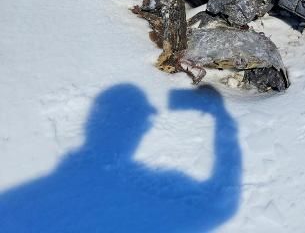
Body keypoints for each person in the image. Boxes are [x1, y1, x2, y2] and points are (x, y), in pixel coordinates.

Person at [0, 84, 241, 233]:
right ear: (136, 130)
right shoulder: (147, 193)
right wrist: (224, 126)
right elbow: (218, 207)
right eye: (144, 123)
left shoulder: (20, 202)